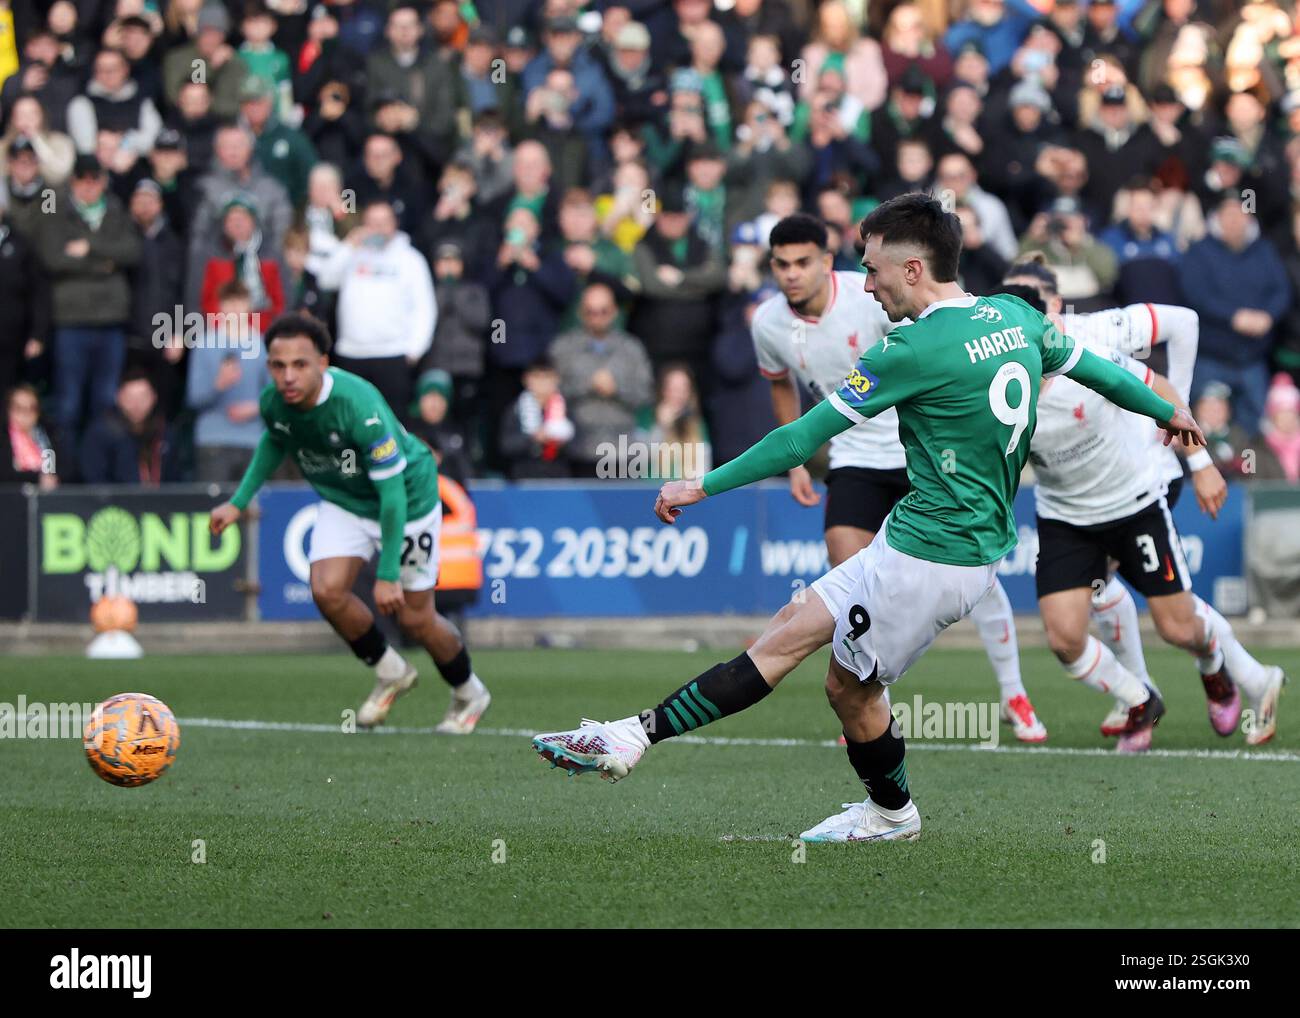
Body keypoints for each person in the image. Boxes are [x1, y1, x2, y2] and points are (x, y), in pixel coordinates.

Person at [533, 193, 1205, 842]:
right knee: (790, 630)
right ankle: (631, 735)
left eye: (874, 266)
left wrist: (700, 485)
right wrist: (1167, 410)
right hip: (922, 537)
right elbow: (1102, 370)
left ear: (913, 269)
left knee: (848, 691)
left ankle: (890, 814)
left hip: (935, 559)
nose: (866, 280)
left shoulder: (907, 350)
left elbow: (800, 440)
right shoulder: (1014, 317)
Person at [750, 213, 1043, 742]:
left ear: (825, 261)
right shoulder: (767, 323)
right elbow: (781, 388)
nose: (791, 274)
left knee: (977, 577)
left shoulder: (877, 295)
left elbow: (939, 348)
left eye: (802, 262)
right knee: (847, 561)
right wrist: (796, 462)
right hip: (855, 454)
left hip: (919, 451)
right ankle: (871, 701)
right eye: (780, 265)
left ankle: (1014, 691)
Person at [1001, 263, 1284, 750]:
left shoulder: (1085, 352)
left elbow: (1165, 381)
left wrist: (1200, 462)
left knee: (1176, 626)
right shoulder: (995, 386)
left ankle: (1215, 663)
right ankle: (1140, 698)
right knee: (1065, 636)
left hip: (1135, 498)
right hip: (1065, 516)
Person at [209, 312, 492, 735]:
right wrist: (238, 502)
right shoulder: (274, 402)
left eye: (300, 364)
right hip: (345, 500)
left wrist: (388, 573)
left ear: (323, 363)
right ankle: (390, 669)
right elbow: (276, 439)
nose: (288, 376)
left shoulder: (359, 407)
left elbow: (393, 494)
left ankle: (470, 691)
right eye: (278, 365)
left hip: (407, 503)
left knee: (416, 620)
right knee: (326, 590)